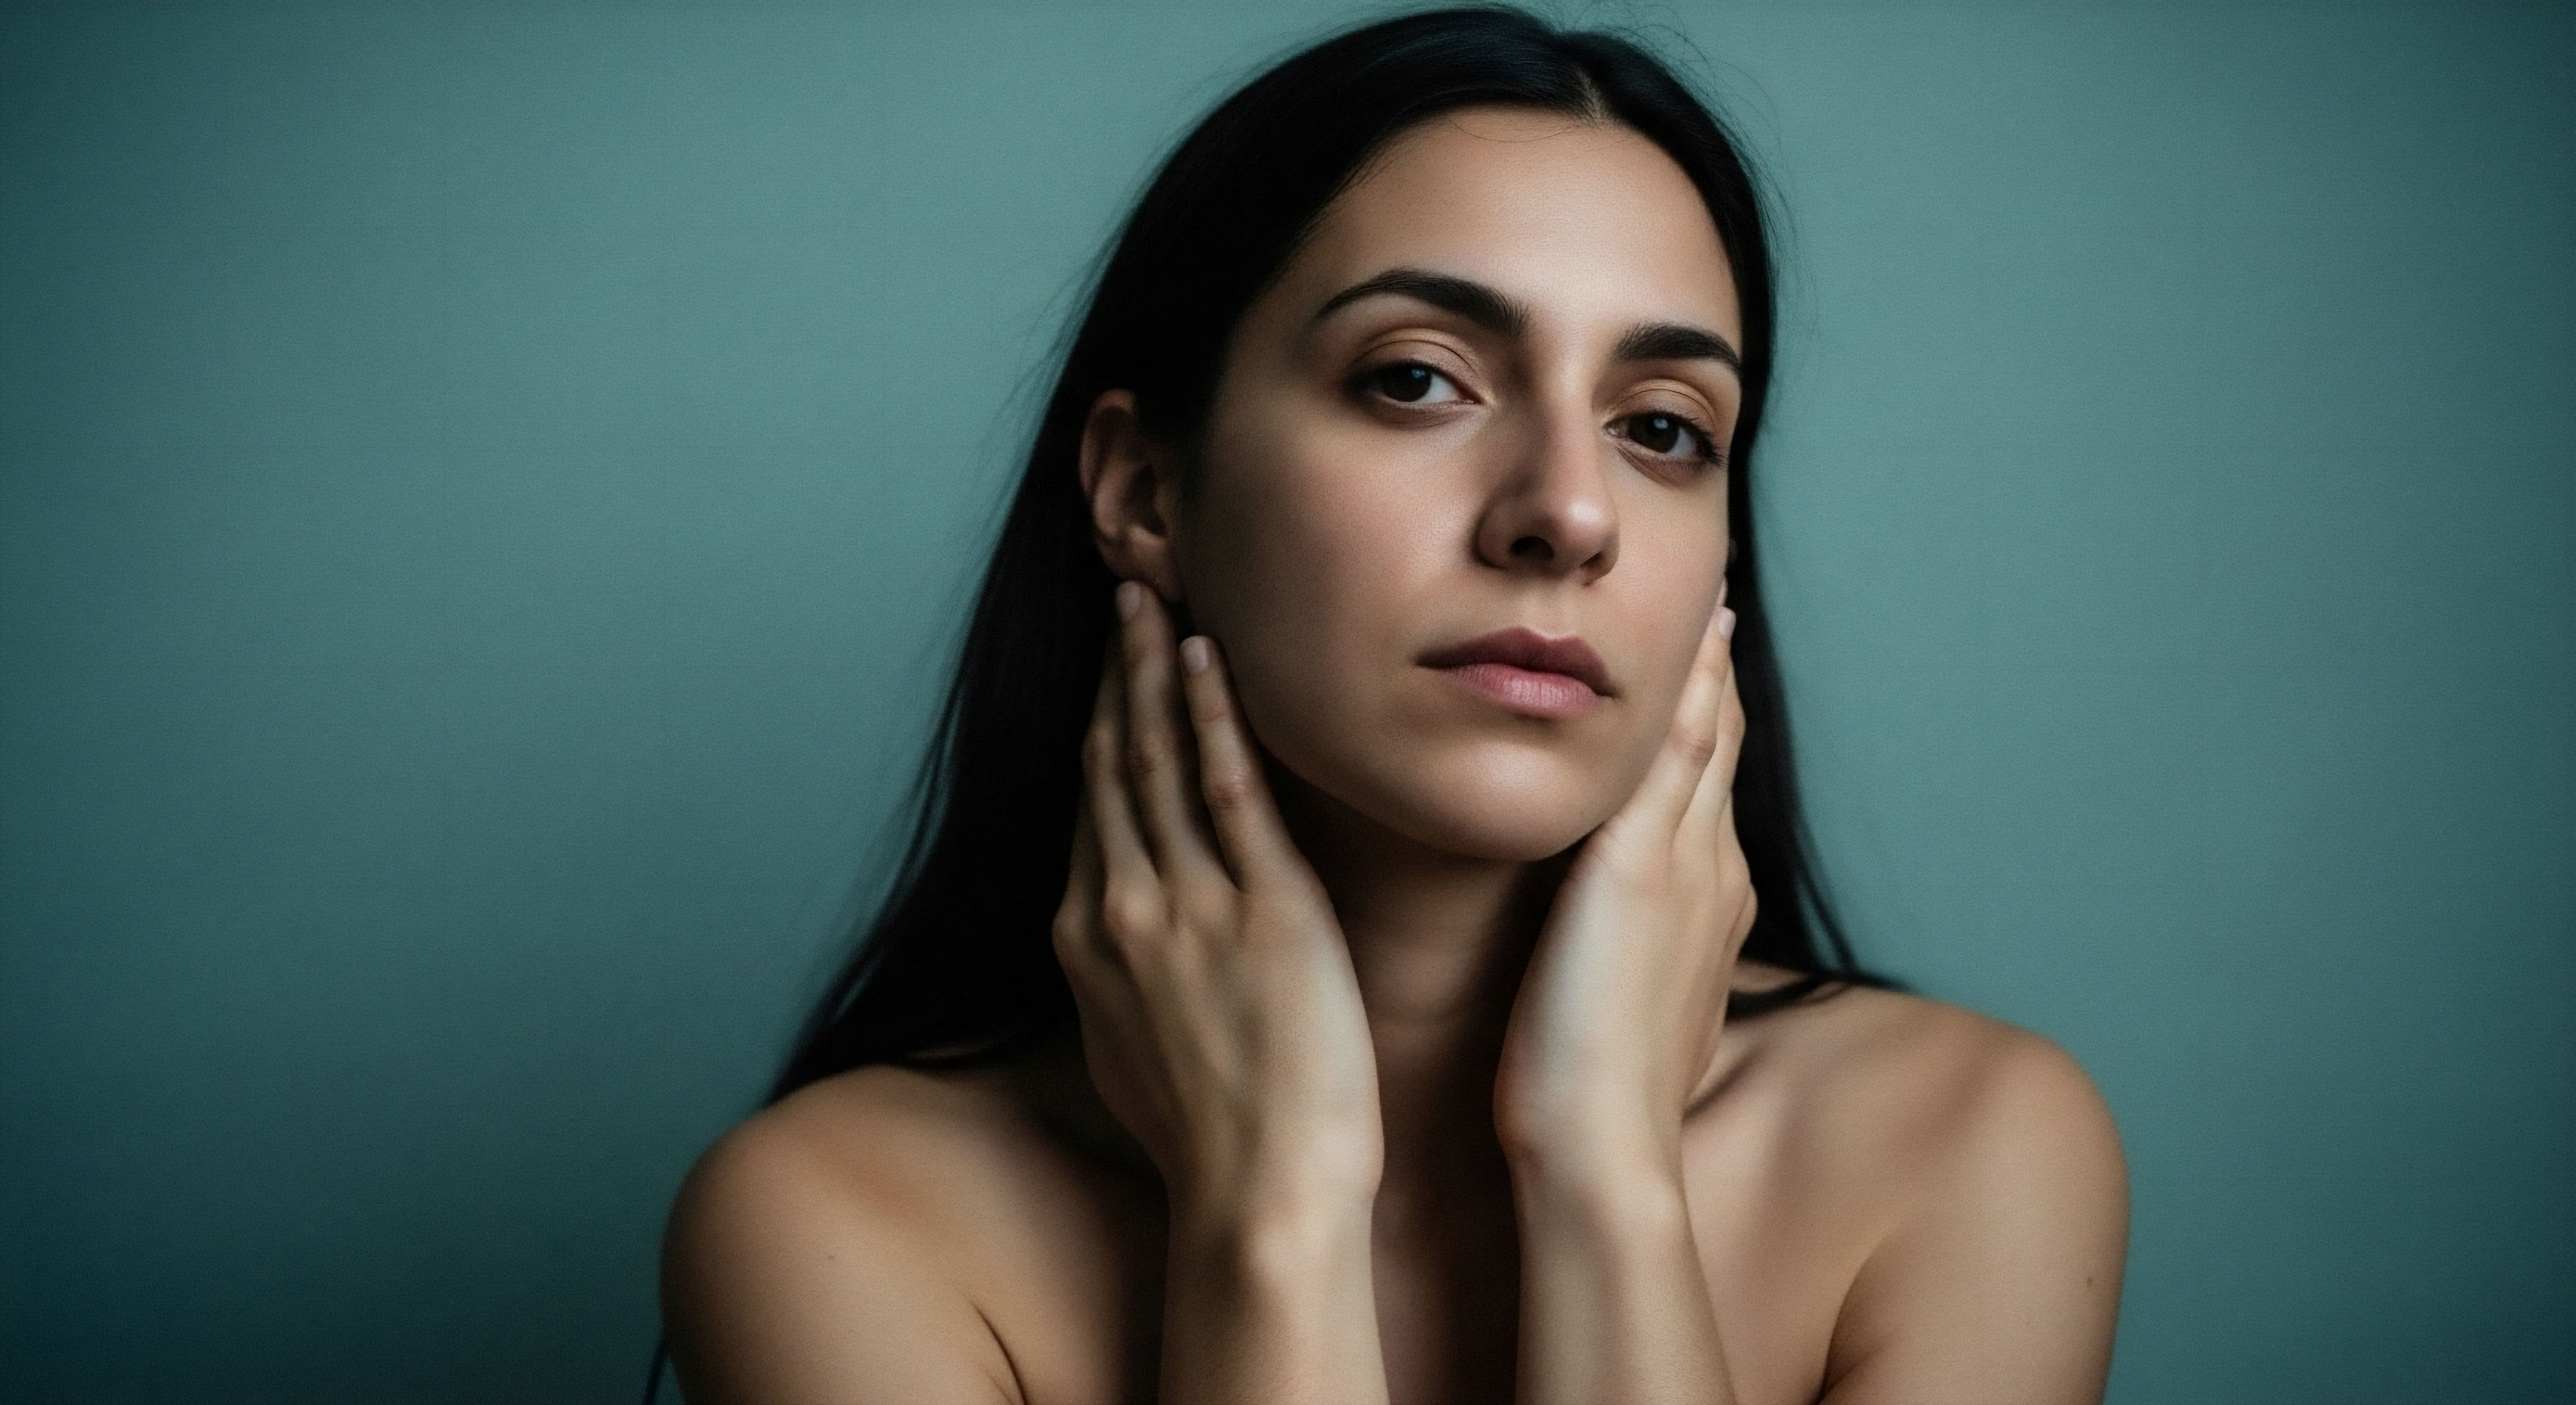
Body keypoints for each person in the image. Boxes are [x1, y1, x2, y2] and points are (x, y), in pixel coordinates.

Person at [659, 9, 2128, 1403]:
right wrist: (1272, 1212)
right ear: (1146, 491)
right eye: (1419, 380)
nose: (1567, 511)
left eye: (1664, 429)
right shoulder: (842, 1221)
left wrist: (1606, 1175)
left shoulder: (1964, 1148)